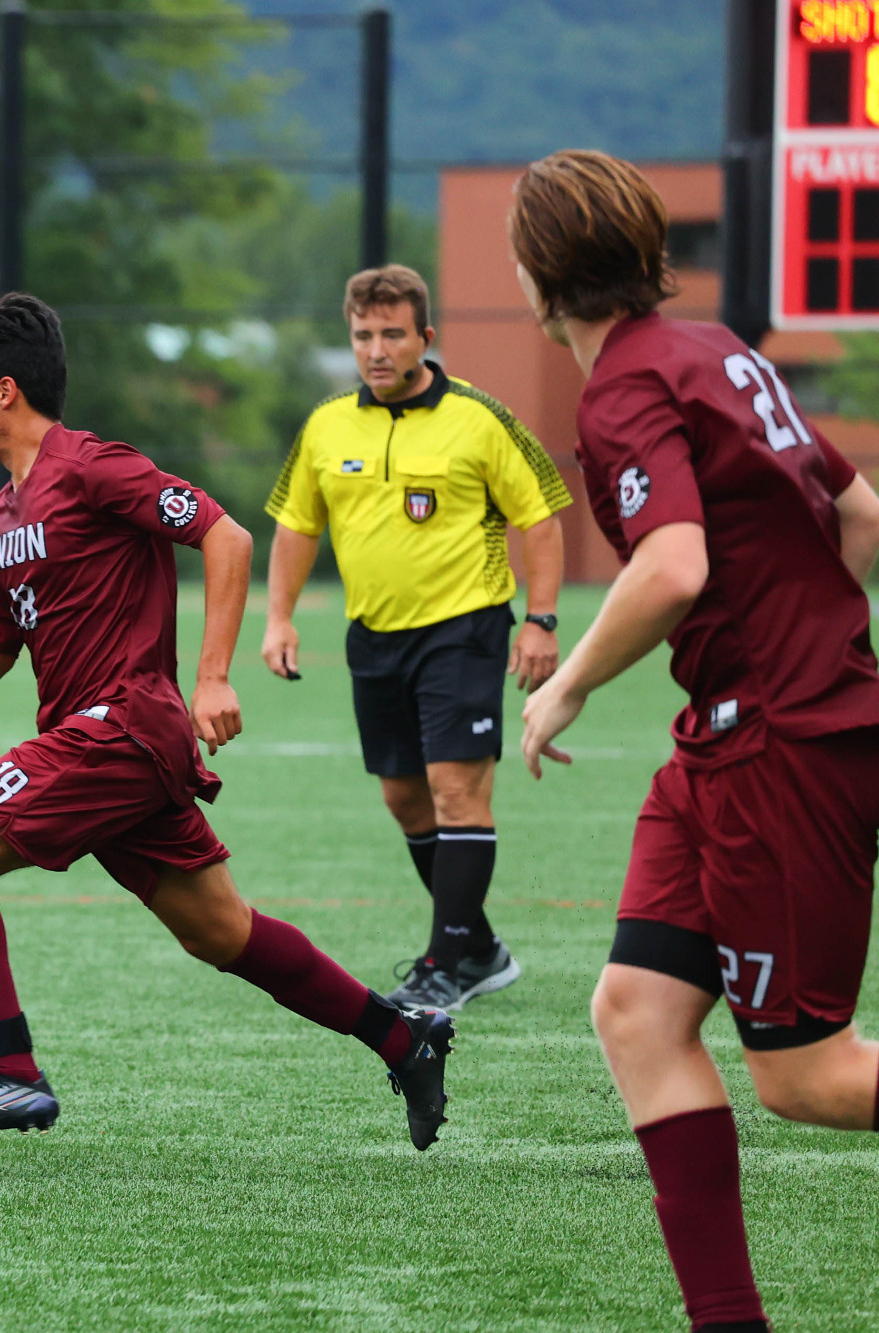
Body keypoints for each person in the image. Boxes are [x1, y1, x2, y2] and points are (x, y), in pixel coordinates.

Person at [0, 293, 453, 1148]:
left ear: (5, 390)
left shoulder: (94, 467)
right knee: (222, 933)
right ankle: (403, 1035)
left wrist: (211, 678)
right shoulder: (1, 516)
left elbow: (227, 536)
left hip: (120, 726)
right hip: (104, 745)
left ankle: (11, 1073)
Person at [513, 150, 879, 1333]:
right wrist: (804, 641)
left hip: (772, 744)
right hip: (732, 737)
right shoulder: (711, 348)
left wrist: (564, 681)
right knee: (635, 1010)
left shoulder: (619, 391)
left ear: (533, 274)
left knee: (809, 1078)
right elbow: (856, 508)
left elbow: (674, 567)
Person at [262, 264, 570, 1011]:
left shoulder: (480, 417)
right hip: (372, 637)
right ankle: (482, 948)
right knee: (406, 799)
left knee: (456, 791)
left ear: (425, 338)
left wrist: (541, 619)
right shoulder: (328, 424)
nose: (376, 349)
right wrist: (278, 616)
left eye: (392, 334)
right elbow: (297, 525)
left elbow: (542, 519)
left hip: (463, 631)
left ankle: (442, 966)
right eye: (364, 334)